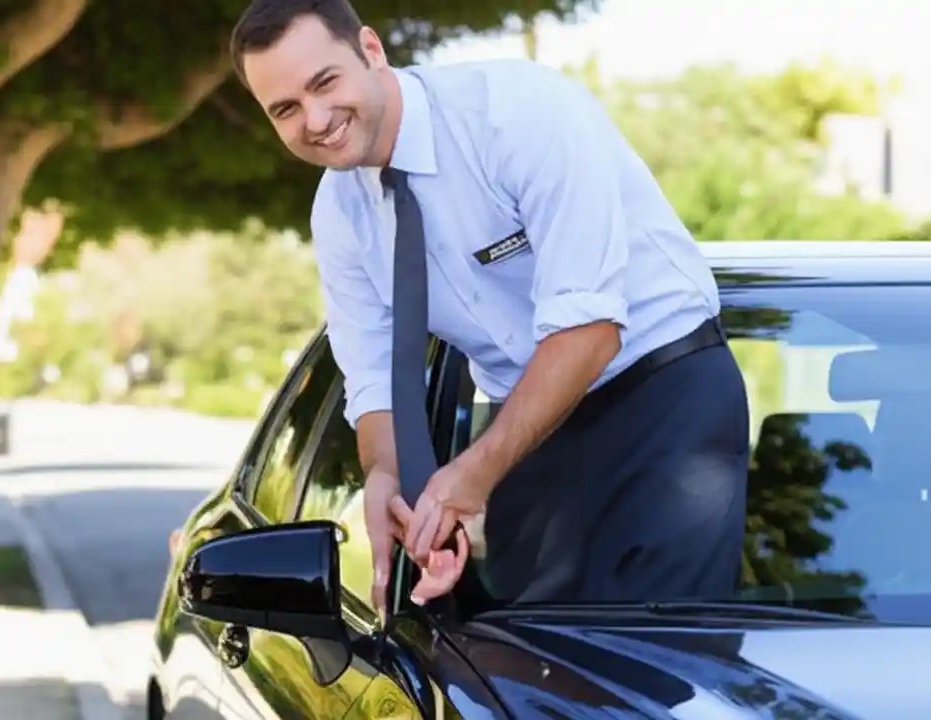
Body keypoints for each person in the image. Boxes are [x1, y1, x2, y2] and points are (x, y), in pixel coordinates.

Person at [228, 0, 751, 614]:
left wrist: (475, 472)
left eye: (325, 82)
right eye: (285, 109)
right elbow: (374, 382)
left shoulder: (518, 115)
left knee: (647, 657)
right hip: (526, 425)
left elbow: (590, 328)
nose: (315, 119)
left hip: (664, 397)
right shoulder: (339, 214)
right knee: (526, 652)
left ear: (371, 50)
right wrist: (389, 483)